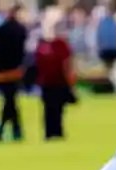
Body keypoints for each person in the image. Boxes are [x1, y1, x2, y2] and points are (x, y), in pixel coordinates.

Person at [34, 8, 75, 141]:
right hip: (46, 82)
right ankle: (49, 132)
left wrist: (70, 80)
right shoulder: (42, 43)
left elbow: (67, 64)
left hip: (58, 81)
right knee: (48, 109)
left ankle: (56, 132)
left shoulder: (60, 44)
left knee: (58, 109)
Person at [0, 3, 28, 142]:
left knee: (9, 100)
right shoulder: (21, 30)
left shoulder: (1, 30)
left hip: (4, 71)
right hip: (15, 70)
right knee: (10, 100)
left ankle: (4, 129)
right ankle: (14, 130)